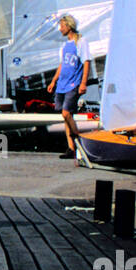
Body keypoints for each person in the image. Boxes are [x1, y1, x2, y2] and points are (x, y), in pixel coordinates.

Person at [47, 14, 89, 163]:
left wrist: (83, 83)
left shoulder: (81, 42)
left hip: (73, 84)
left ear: (69, 26)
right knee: (65, 116)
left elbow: (86, 62)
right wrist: (53, 81)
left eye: (62, 26)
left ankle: (80, 143)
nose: (60, 29)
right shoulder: (64, 46)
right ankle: (71, 148)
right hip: (62, 84)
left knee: (66, 113)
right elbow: (61, 65)